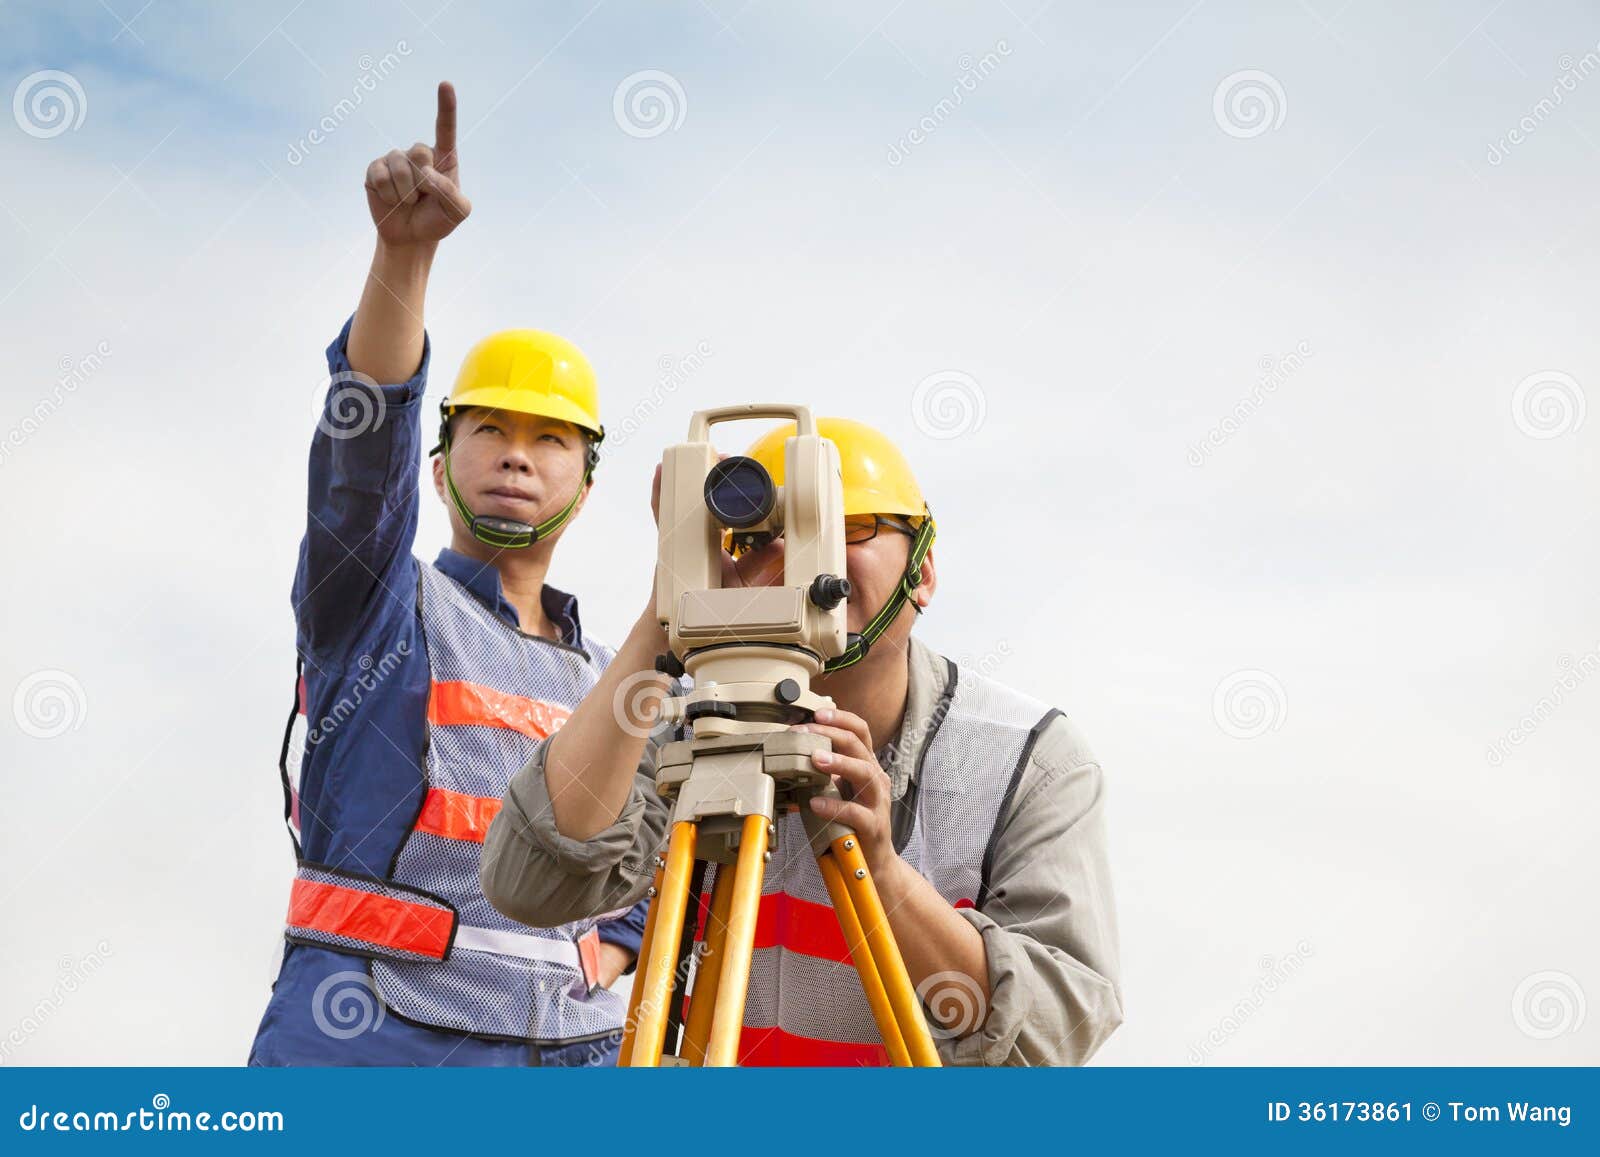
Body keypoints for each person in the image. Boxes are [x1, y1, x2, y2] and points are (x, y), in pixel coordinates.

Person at [479, 417, 1124, 1065]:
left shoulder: (1026, 756)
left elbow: (1057, 1031)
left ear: (922, 572)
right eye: (763, 538)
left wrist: (884, 871)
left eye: (852, 527)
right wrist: (666, 613)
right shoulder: (694, 726)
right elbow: (533, 887)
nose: (807, 554)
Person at [249, 81, 646, 1066]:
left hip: (567, 1058)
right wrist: (405, 255)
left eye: (551, 438)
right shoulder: (377, 604)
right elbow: (363, 452)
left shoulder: (617, 674)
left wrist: (619, 950)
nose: (518, 454)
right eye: (490, 429)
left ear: (585, 484)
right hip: (369, 1044)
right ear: (438, 465)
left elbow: (660, 855)